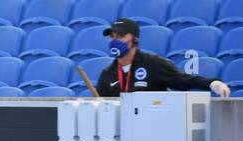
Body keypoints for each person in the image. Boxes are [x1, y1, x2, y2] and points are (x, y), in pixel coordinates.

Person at [97, 18, 231, 98]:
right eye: (112, 37)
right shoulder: (107, 74)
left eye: (120, 36)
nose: (114, 41)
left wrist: (212, 83)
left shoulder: (153, 64)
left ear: (135, 38)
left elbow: (181, 80)